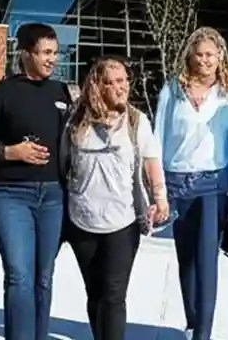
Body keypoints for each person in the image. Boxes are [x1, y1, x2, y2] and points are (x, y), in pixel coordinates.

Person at [0, 22, 72, 340]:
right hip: (11, 196)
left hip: (53, 197)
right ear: (25, 53)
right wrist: (12, 152)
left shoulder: (61, 92)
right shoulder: (1, 93)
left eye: (55, 52)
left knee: (44, 278)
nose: (52, 59)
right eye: (45, 53)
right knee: (19, 276)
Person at [63, 55, 170, 340]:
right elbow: (63, 163)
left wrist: (160, 198)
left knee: (114, 294)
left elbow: (151, 161)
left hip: (123, 221)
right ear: (97, 86)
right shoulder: (75, 120)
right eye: (110, 83)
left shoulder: (136, 120)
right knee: (95, 293)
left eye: (122, 81)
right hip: (82, 219)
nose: (120, 87)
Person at [154, 26, 228, 340]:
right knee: (186, 258)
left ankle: (203, 332)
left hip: (213, 184)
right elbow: (157, 138)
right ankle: (193, 320)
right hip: (176, 183)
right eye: (200, 54)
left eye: (211, 54)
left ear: (220, 57)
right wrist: (157, 187)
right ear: (190, 56)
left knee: (208, 258)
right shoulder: (171, 91)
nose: (205, 60)